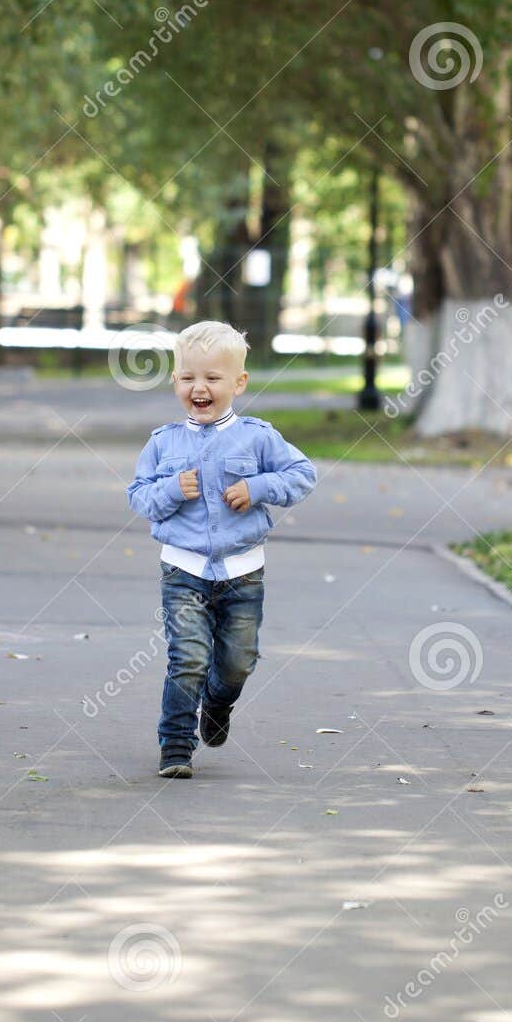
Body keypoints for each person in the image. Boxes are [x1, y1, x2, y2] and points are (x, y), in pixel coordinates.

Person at [125, 321, 318, 778]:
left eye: (213, 378)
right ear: (175, 381)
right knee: (187, 657)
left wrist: (258, 486)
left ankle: (217, 702)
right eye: (189, 377)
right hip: (183, 572)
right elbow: (138, 496)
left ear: (238, 382)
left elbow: (302, 473)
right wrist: (171, 489)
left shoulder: (257, 436)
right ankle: (175, 745)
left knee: (238, 662)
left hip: (244, 573)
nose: (200, 387)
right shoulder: (163, 443)